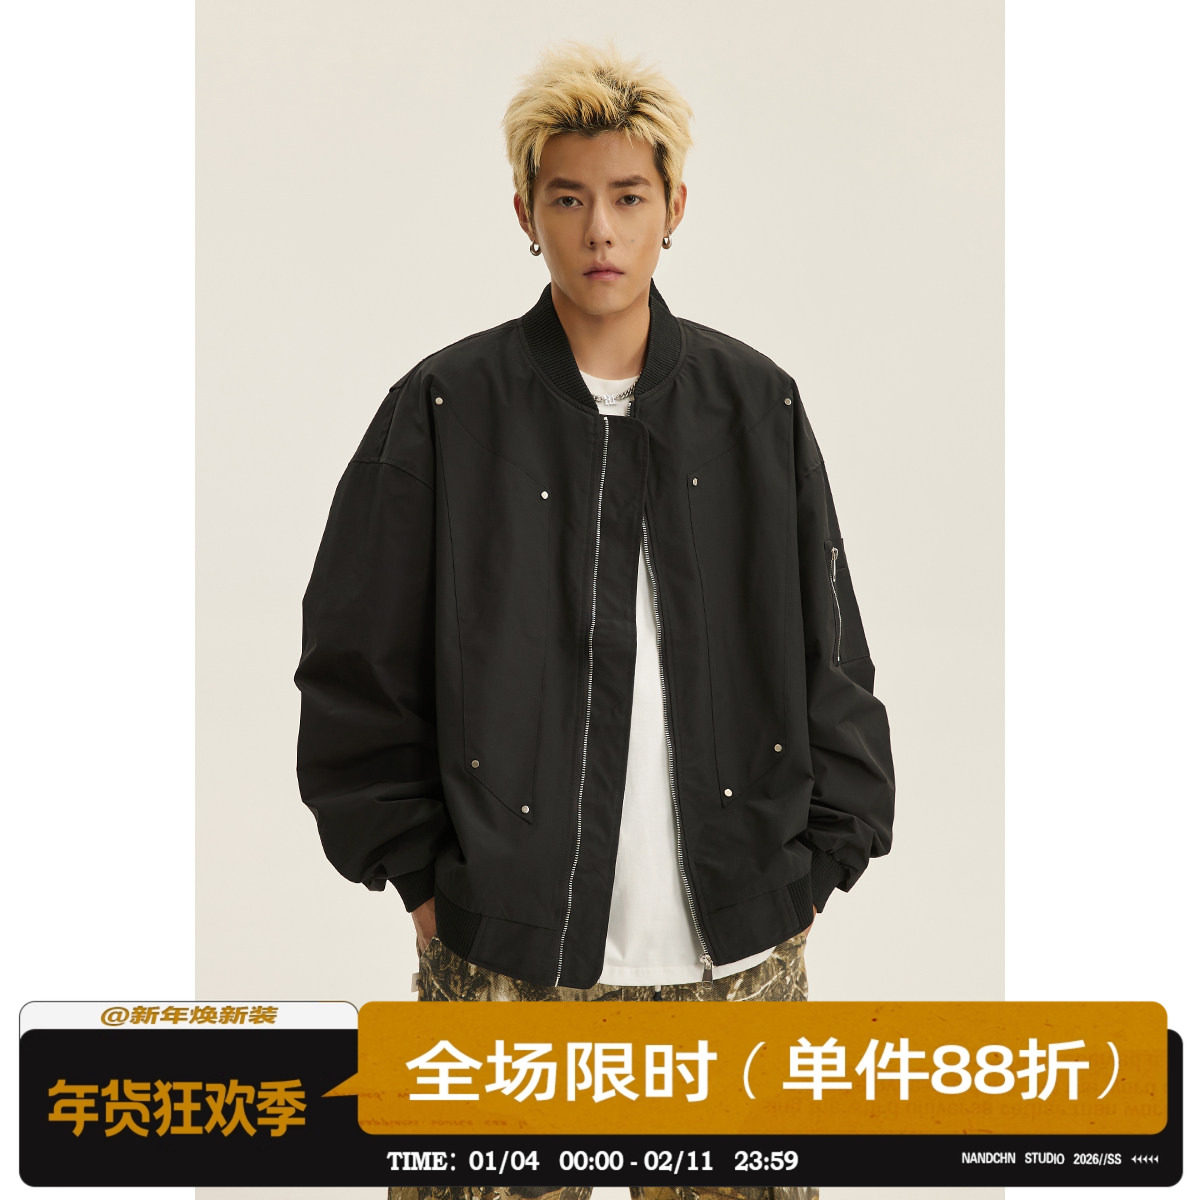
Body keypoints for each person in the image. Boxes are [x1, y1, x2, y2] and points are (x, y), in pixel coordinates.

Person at [294, 39, 895, 1200]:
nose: (600, 231)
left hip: (736, 962)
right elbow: (357, 662)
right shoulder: (444, 408)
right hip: (505, 962)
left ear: (675, 208)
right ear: (526, 213)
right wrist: (424, 880)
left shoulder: (754, 406)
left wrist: (811, 872)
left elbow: (832, 654)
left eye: (627, 197)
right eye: (569, 200)